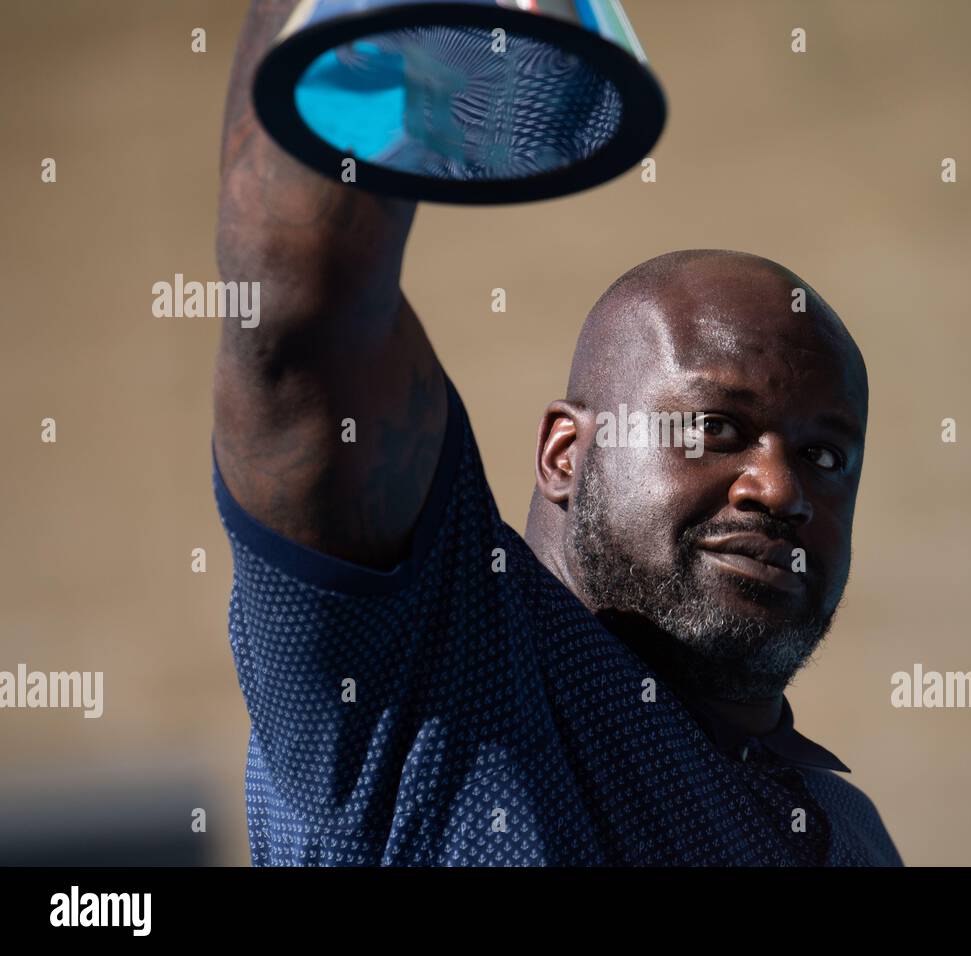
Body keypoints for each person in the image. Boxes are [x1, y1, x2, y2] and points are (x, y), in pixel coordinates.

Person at [213, 0, 902, 866]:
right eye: (717, 427)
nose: (779, 486)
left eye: (825, 455)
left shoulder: (853, 834)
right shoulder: (443, 662)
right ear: (564, 455)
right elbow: (299, 299)